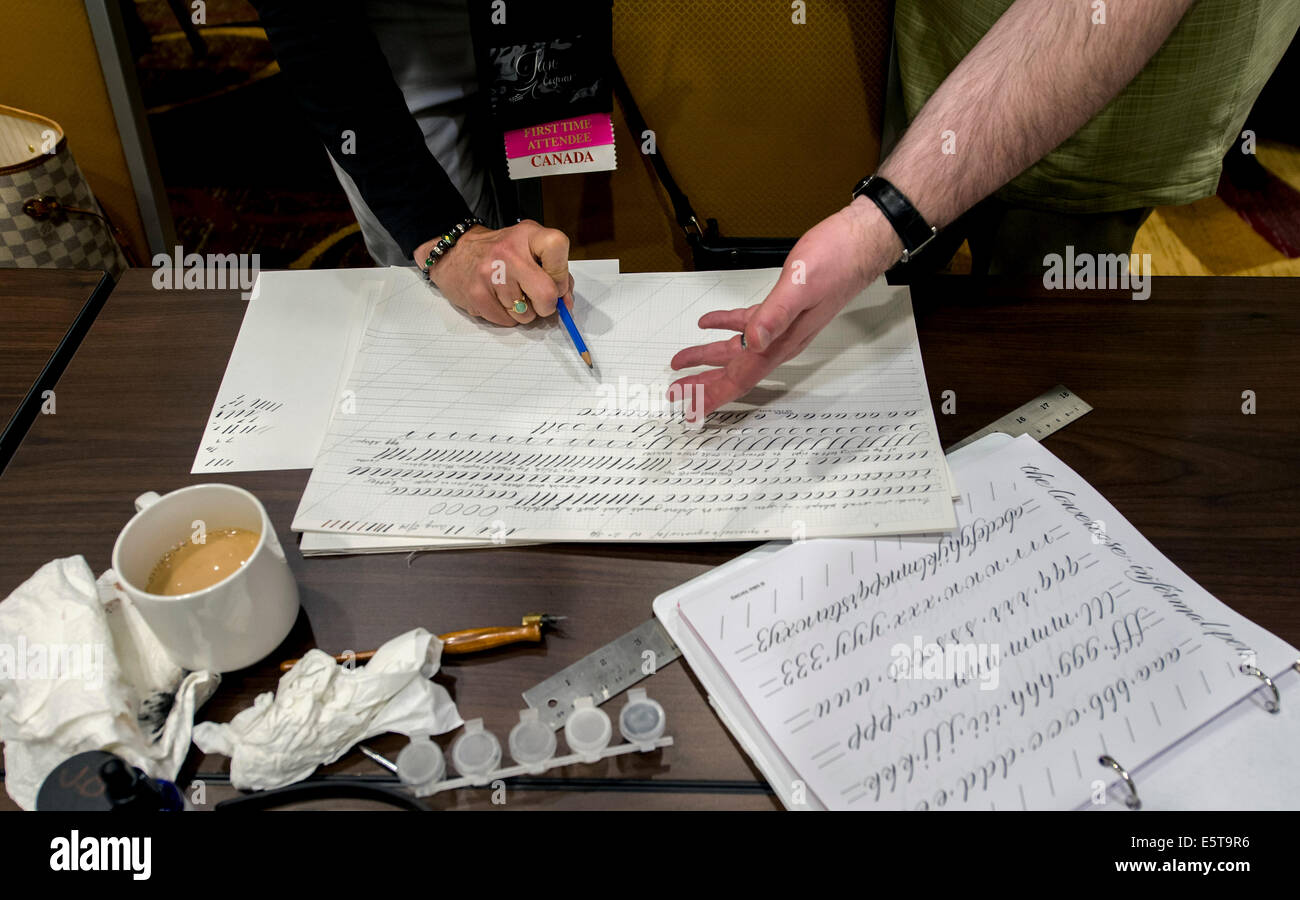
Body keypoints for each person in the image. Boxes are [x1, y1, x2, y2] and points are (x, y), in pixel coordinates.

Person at [669, 0, 1300, 417]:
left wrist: (877, 223)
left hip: (1107, 100)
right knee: (910, 324)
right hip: (941, 51)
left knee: (1038, 365)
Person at [250, 0, 575, 328]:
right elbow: (308, 26)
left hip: (541, 19)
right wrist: (440, 235)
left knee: (556, 248)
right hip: (383, 31)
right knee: (446, 295)